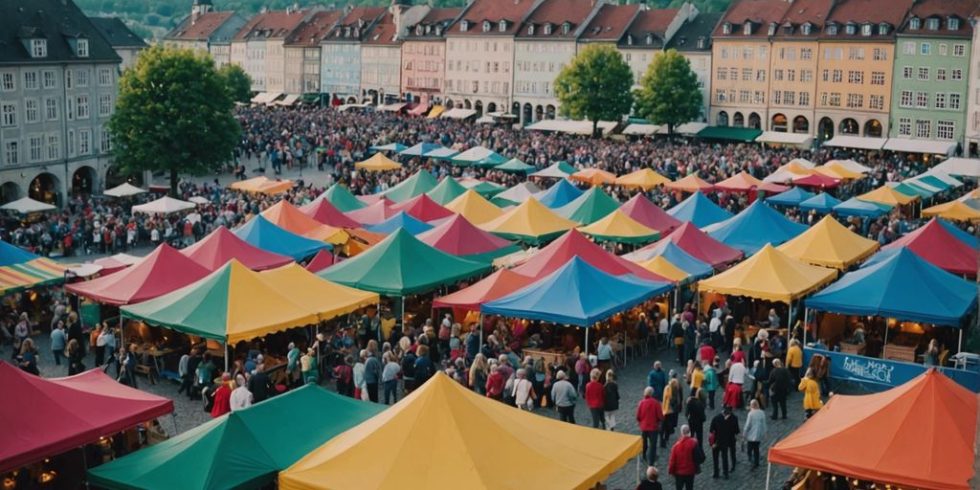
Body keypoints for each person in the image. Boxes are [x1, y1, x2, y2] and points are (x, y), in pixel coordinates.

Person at [709, 406, 740, 479]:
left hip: (716, 441)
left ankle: (716, 473)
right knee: (724, 457)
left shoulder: (716, 418)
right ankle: (725, 473)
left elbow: (711, 430)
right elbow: (736, 431)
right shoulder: (733, 419)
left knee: (715, 458)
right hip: (726, 441)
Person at [636, 387, 664, 464]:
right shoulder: (656, 403)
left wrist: (641, 422)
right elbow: (660, 416)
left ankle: (644, 455)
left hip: (644, 427)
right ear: (652, 393)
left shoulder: (641, 403)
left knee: (644, 442)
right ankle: (651, 460)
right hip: (653, 427)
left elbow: (638, 416)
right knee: (653, 444)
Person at [668, 425, 700, 490]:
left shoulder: (675, 446)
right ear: (689, 432)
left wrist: (671, 471)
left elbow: (672, 461)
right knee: (689, 487)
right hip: (690, 472)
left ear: (681, 433)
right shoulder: (694, 443)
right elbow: (698, 457)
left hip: (679, 473)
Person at [743, 399, 768, 469]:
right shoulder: (762, 412)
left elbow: (747, 425)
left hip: (751, 434)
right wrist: (765, 433)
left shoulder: (750, 414)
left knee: (749, 449)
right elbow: (764, 424)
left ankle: (751, 459)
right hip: (758, 434)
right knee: (756, 449)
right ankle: (756, 462)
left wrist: (744, 433)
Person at [661, 377, 682, 448]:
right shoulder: (674, 391)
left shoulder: (667, 388)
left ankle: (663, 438)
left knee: (664, 425)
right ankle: (666, 437)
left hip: (666, 410)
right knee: (668, 425)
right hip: (671, 411)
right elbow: (676, 401)